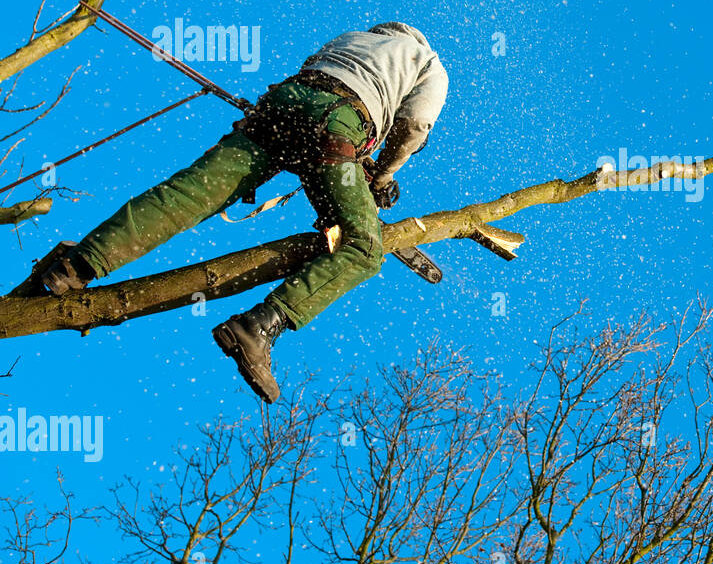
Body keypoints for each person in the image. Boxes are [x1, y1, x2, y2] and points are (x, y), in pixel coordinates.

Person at [28, 22, 447, 404]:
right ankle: (259, 326)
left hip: (283, 106)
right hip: (335, 122)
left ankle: (76, 265)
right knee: (364, 248)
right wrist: (381, 177)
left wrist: (340, 182)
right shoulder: (429, 64)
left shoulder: (357, 38)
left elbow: (316, 99)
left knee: (188, 196)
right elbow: (411, 128)